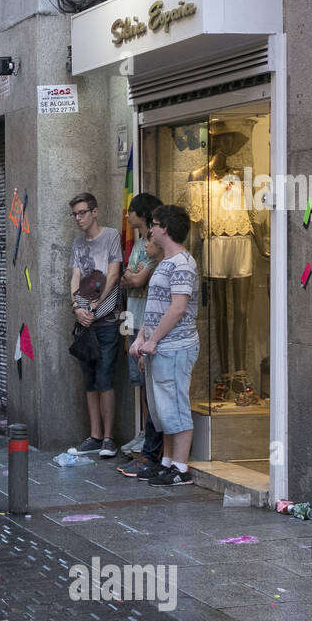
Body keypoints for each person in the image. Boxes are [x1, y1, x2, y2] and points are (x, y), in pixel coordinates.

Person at [130, 205, 199, 486]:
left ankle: (181, 469)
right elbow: (155, 308)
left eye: (154, 224)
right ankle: (168, 462)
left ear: (165, 229)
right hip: (160, 347)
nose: (151, 229)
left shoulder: (182, 263)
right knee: (164, 411)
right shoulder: (166, 262)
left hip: (175, 346)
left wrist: (153, 340)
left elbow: (178, 308)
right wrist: (141, 338)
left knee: (176, 408)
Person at [67, 191, 123, 458]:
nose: (78, 218)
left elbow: (114, 273)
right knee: (89, 380)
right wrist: (78, 307)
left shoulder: (111, 236)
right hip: (85, 323)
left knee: (105, 378)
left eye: (82, 212)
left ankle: (109, 438)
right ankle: (95, 435)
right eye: (75, 214)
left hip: (108, 320)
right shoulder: (78, 244)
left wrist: (95, 306)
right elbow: (74, 278)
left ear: (94, 211)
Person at [117, 194, 166, 474]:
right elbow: (127, 278)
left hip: (148, 319)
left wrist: (131, 277)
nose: (127, 215)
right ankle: (144, 432)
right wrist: (129, 277)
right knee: (139, 380)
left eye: (131, 211)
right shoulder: (138, 246)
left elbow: (135, 279)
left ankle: (152, 441)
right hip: (133, 317)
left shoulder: (153, 249)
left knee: (150, 383)